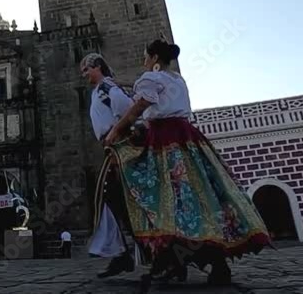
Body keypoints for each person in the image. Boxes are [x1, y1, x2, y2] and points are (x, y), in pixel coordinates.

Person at [103, 39, 271, 285]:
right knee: (200, 196)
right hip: (189, 139)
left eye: (145, 56)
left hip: (163, 140)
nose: (143, 61)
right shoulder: (176, 80)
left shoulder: (150, 79)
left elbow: (139, 106)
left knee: (157, 197)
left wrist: (115, 131)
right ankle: (215, 263)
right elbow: (152, 95)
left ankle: (169, 259)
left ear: (153, 58)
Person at [80, 53, 136, 278]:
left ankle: (130, 254)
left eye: (86, 70)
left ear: (97, 67)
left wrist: (118, 131)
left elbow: (128, 109)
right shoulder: (100, 90)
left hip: (119, 148)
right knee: (111, 199)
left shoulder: (106, 88)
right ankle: (121, 255)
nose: (84, 75)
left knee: (113, 198)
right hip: (111, 148)